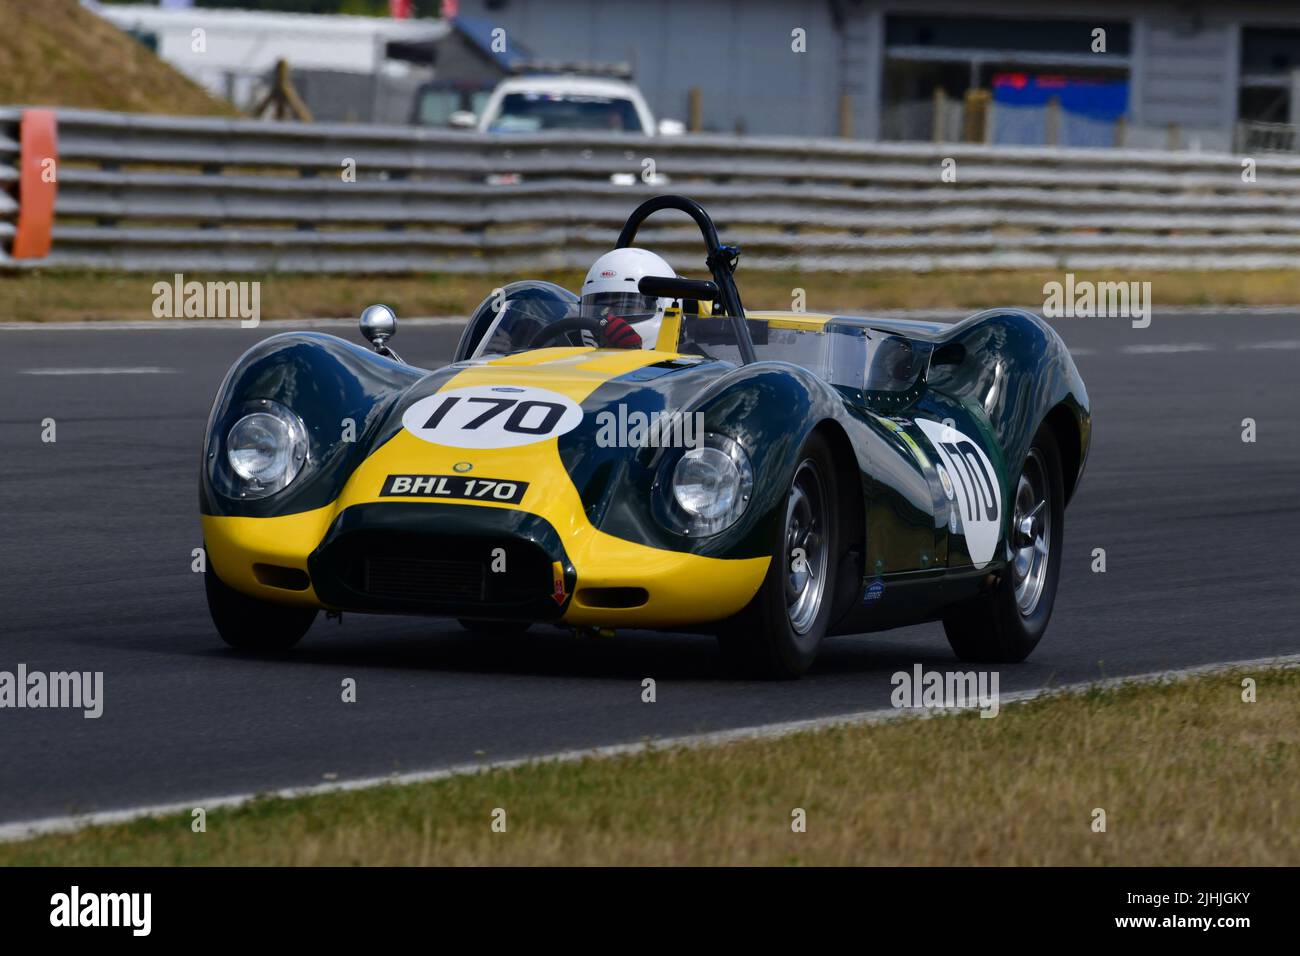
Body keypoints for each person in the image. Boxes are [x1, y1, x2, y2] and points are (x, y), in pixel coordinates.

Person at [579, 248, 676, 350]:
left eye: (628, 306)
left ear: (665, 306)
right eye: (601, 310)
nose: (610, 319)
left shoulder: (685, 360)